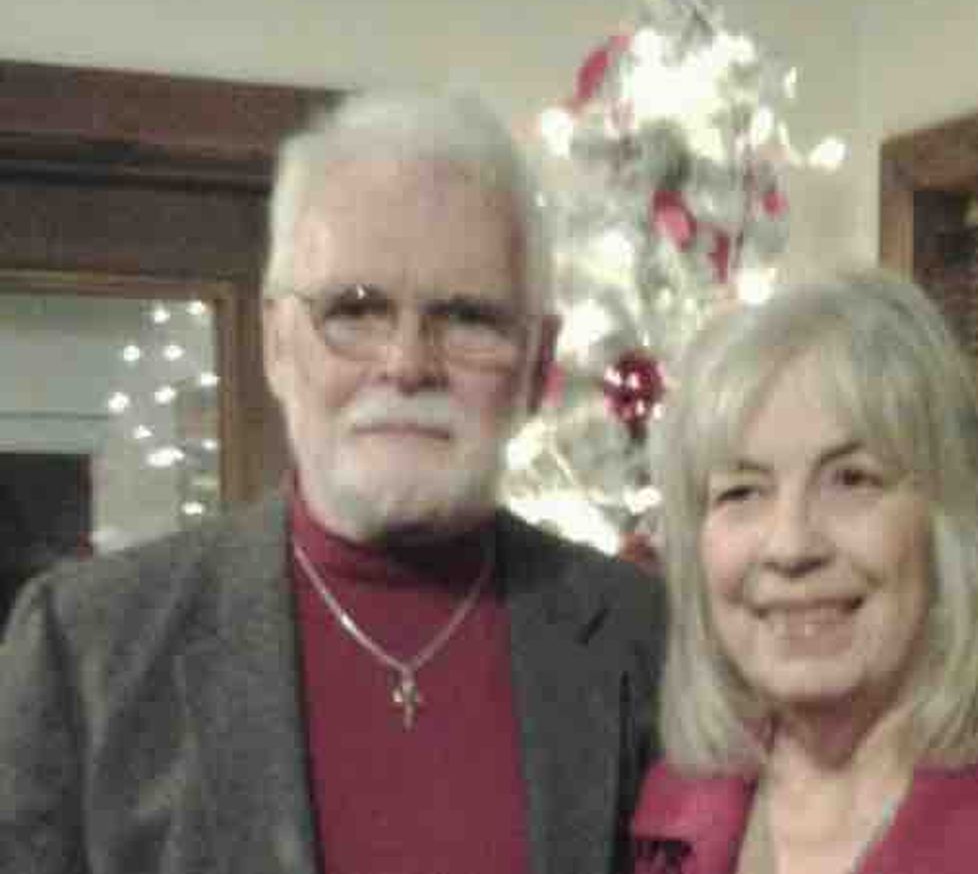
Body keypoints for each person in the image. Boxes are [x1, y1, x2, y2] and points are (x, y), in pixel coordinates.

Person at [0, 89, 664, 874]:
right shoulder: (87, 651)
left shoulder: (643, 639)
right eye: (355, 309)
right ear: (277, 342)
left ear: (537, 362)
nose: (407, 364)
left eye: (468, 317)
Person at [630, 270, 978, 874]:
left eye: (852, 479)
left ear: (953, 529)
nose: (791, 546)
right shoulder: (671, 810)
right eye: (742, 491)